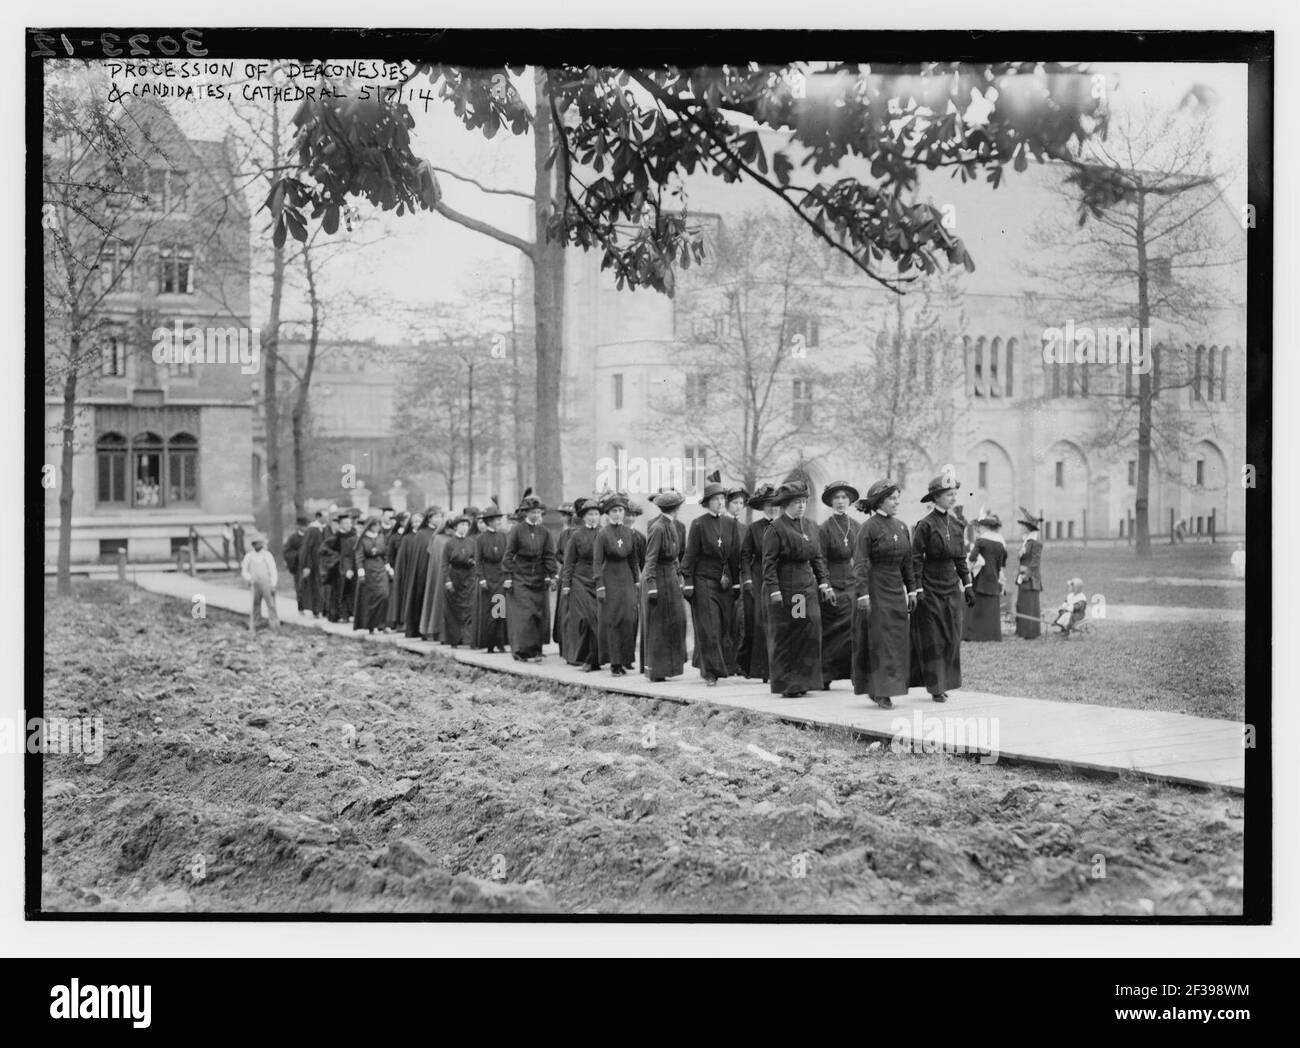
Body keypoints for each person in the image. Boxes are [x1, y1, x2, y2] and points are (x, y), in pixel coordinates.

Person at [761, 481, 835, 698]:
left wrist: (824, 583)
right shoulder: (776, 528)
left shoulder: (811, 526)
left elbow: (817, 558)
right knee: (791, 634)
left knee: (809, 632)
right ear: (785, 505)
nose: (801, 506)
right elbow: (769, 563)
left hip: (807, 589)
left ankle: (806, 680)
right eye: (796, 502)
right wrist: (774, 591)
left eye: (803, 501)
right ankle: (790, 683)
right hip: (790, 592)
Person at [851, 481, 919, 709]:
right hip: (876, 588)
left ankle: (892, 686)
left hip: (896, 590)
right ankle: (880, 691)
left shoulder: (901, 527)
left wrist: (911, 589)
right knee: (881, 640)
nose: (897, 501)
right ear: (880, 501)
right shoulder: (868, 528)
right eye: (892, 498)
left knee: (897, 640)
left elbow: (908, 563)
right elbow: (859, 564)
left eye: (898, 497)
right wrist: (862, 595)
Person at [910, 473, 974, 703]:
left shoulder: (957, 524)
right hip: (930, 585)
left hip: (950, 586)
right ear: (936, 497)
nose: (953, 498)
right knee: (934, 636)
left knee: (951, 635)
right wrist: (917, 589)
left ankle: (945, 681)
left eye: (955, 493)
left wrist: (967, 584)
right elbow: (915, 558)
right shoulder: (925, 525)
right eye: (949, 494)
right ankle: (935, 686)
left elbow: (960, 557)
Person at [681, 480, 742, 686]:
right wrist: (688, 582)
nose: (720, 502)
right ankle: (711, 672)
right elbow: (689, 556)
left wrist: (736, 583)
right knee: (709, 626)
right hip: (703, 581)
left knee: (723, 625)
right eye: (715, 499)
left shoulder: (730, 524)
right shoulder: (698, 524)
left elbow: (734, 556)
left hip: (724, 582)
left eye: (722, 499)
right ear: (707, 502)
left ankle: (716, 665)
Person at [640, 490, 688, 682]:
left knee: (676, 621)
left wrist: (679, 577)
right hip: (658, 579)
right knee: (659, 625)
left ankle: (671, 668)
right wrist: (651, 585)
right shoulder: (658, 527)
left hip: (670, 578)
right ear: (676, 508)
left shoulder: (671, 525)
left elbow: (675, 556)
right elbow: (650, 559)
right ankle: (657, 671)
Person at [503, 494, 558, 661]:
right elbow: (508, 555)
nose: (536, 515)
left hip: (539, 578)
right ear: (526, 513)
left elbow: (549, 555)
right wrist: (508, 576)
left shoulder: (545, 532)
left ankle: (536, 649)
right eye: (533, 512)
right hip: (521, 577)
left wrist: (552, 575)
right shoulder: (517, 531)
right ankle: (520, 650)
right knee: (524, 615)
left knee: (538, 614)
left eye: (539, 512)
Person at [818, 481, 861, 689]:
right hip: (833, 586)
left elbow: (862, 559)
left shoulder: (857, 526)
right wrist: (825, 585)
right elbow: (821, 560)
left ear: (850, 501)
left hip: (852, 584)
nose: (841, 501)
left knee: (853, 632)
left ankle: (854, 674)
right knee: (831, 633)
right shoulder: (824, 528)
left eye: (844, 498)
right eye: (837, 498)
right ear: (831, 502)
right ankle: (826, 674)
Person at [594, 494, 640, 676]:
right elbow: (597, 561)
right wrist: (600, 585)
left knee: (628, 620)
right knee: (613, 621)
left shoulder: (630, 533)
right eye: (614, 511)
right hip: (609, 580)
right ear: (608, 513)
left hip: (627, 581)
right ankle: (614, 663)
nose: (618, 514)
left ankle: (626, 659)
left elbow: (634, 559)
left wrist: (636, 581)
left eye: (621, 511)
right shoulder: (603, 534)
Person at [739, 484, 778, 681]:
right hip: (759, 577)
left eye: (775, 504)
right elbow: (745, 556)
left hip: (779, 577)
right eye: (768, 504)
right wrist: (747, 580)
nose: (772, 508)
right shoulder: (754, 529)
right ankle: (762, 669)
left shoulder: (783, 526)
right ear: (763, 507)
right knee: (760, 622)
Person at [561, 497, 604, 670]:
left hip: (599, 580)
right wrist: (566, 584)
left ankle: (596, 658)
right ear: (583, 517)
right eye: (589, 514)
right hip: (579, 581)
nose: (593, 517)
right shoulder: (576, 535)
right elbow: (569, 562)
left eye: (596, 514)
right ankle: (584, 657)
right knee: (586, 619)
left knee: (599, 619)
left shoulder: (604, 533)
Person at [963, 512, 1007, 642]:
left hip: (980, 577)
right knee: (992, 607)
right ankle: (992, 634)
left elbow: (972, 557)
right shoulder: (1000, 543)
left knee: (977, 606)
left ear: (985, 527)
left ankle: (975, 634)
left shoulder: (981, 541)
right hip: (994, 576)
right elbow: (1003, 562)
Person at [472, 503, 510, 652]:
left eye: (499, 519)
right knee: (489, 611)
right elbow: (478, 560)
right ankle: (489, 643)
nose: (499, 522)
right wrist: (481, 578)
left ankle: (500, 642)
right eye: (496, 519)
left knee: (500, 610)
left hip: (500, 576)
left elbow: (507, 557)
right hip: (488, 578)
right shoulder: (481, 538)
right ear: (489, 521)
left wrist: (507, 575)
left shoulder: (502, 536)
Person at [439, 515, 477, 647]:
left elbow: (475, 559)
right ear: (456, 527)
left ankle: (468, 639)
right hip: (454, 576)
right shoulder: (449, 543)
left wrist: (472, 563)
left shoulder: (471, 542)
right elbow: (444, 564)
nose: (464, 528)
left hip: (469, 577)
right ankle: (454, 640)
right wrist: (447, 580)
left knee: (469, 607)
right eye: (461, 525)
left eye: (466, 526)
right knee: (453, 609)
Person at [725, 485, 751, 671]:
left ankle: (737, 662)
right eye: (735, 502)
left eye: (741, 503)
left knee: (739, 620)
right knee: (725, 621)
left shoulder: (744, 528)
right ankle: (725, 662)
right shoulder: (721, 525)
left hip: (740, 578)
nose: (738, 506)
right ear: (727, 504)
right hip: (724, 579)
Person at [402, 509, 438, 639]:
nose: (439, 519)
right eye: (436, 516)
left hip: (435, 572)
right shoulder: (421, 534)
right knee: (420, 598)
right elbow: (419, 557)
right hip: (422, 573)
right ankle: (418, 629)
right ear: (429, 519)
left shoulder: (438, 533)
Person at [352, 515, 392, 633]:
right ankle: (372, 625)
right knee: (373, 599)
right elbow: (359, 558)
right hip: (369, 571)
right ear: (369, 526)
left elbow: (385, 555)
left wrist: (388, 568)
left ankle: (383, 624)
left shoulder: (381, 537)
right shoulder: (363, 540)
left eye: (378, 525)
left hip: (381, 570)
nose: (377, 527)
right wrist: (361, 573)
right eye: (374, 525)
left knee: (384, 595)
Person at [1014, 508, 1044, 639]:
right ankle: (1021, 630)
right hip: (1022, 575)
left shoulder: (1035, 543)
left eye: (1023, 526)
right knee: (1022, 603)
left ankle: (1030, 632)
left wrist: (1027, 574)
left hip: (1030, 578)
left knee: (1030, 605)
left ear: (1028, 528)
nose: (1021, 528)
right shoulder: (1026, 542)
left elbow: (1035, 562)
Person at [241, 531, 279, 633]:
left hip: (266, 583)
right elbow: (244, 570)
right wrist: (249, 579)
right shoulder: (249, 556)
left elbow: (273, 570)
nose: (257, 545)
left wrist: (273, 584)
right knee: (255, 605)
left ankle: (274, 626)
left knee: (271, 605)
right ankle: (255, 625)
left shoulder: (267, 555)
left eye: (258, 543)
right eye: (255, 543)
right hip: (255, 583)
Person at [552, 501, 577, 658]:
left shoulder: (577, 533)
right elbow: (558, 553)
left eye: (566, 516)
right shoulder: (563, 534)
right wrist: (566, 560)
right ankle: (564, 645)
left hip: (579, 574)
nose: (564, 519)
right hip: (565, 574)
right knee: (563, 609)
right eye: (563, 516)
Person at [299, 511, 326, 617]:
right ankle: (315, 610)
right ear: (318, 517)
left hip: (320, 564)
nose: (326, 518)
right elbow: (307, 549)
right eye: (324, 516)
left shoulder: (322, 529)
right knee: (314, 587)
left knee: (320, 587)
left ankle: (320, 609)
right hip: (313, 565)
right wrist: (307, 565)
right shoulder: (312, 530)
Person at [283, 516, 307, 606]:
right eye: (303, 526)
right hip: (298, 566)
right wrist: (297, 554)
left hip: (309, 565)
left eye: (306, 526)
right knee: (299, 587)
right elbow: (287, 552)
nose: (305, 528)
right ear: (299, 527)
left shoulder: (309, 536)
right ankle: (301, 606)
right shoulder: (293, 538)